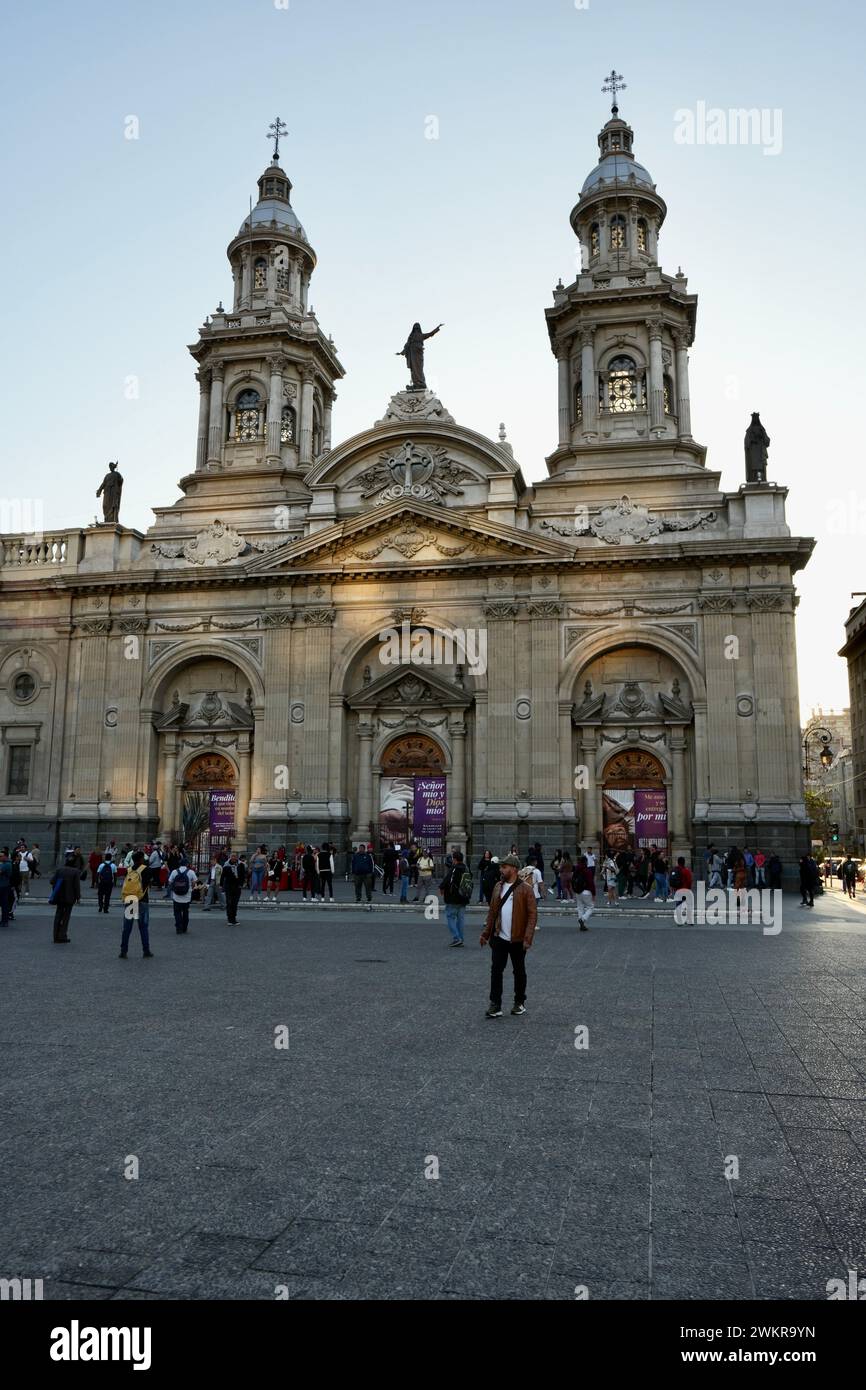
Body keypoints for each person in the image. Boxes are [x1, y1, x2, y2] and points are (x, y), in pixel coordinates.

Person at [480, 855, 537, 1018]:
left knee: (519, 971)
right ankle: (495, 1004)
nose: (500, 869)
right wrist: (485, 933)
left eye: (503, 867)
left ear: (513, 869)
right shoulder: (498, 886)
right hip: (499, 937)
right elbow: (492, 912)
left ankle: (519, 1002)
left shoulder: (525, 888)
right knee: (496, 971)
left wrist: (528, 938)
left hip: (518, 938)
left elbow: (532, 915)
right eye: (501, 867)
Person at [119, 851, 154, 959]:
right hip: (142, 900)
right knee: (143, 927)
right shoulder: (147, 869)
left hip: (130, 899)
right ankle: (146, 950)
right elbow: (150, 882)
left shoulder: (129, 870)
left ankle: (123, 951)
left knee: (127, 927)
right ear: (141, 859)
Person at [438, 849, 472, 947]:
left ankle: (456, 938)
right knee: (460, 919)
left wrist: (441, 887)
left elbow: (447, 880)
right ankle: (460, 938)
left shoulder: (454, 869)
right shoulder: (466, 868)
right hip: (464, 897)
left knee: (450, 917)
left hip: (454, 897)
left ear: (455, 859)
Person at [50, 851, 81, 943]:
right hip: (70, 898)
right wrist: (78, 897)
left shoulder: (59, 870)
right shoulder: (75, 872)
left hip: (59, 896)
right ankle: (62, 935)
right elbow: (76, 886)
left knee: (58, 915)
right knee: (66, 917)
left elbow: (52, 881)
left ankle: (55, 935)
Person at [168, 859, 197, 933]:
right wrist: (191, 887)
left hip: (176, 896)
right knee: (185, 912)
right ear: (187, 864)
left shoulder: (174, 871)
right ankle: (184, 927)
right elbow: (194, 882)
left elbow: (170, 882)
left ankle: (178, 928)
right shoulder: (191, 872)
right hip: (187, 896)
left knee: (177, 912)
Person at [222, 852, 246, 924]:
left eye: (235, 856)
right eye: (232, 856)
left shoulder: (241, 865)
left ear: (237, 857)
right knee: (229, 902)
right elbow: (223, 876)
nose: (234, 858)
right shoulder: (226, 865)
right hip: (228, 886)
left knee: (235, 903)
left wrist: (241, 884)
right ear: (230, 857)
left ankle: (234, 918)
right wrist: (221, 885)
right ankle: (229, 919)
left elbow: (243, 875)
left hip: (237, 886)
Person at [573, 855, 594, 930]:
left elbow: (573, 879)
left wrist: (574, 889)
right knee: (590, 907)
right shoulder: (587, 870)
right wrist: (594, 893)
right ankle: (583, 919)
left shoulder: (576, 869)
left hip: (578, 890)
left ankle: (581, 925)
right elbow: (591, 883)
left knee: (580, 907)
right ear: (585, 861)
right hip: (586, 891)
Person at [352, 843, 375, 908]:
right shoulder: (355, 856)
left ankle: (369, 898)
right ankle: (358, 898)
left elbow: (372, 864)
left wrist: (371, 873)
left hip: (367, 874)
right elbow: (353, 864)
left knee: (368, 887)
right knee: (357, 887)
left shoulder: (368, 856)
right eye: (359, 848)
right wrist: (353, 872)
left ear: (364, 849)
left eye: (361, 848)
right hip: (357, 874)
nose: (360, 849)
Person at [0, 849, 13, 927]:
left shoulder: (7, 864)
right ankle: (4, 920)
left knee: (4, 904)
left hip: (3, 887)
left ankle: (5, 921)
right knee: (3, 904)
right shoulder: (4, 863)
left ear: (5, 856)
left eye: (1, 856)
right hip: (2, 886)